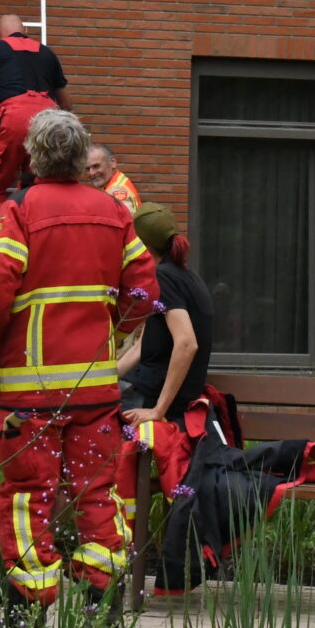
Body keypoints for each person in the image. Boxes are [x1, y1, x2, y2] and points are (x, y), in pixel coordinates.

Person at [0, 108, 158, 628]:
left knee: (28, 498)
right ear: (81, 158)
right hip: (95, 388)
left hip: (27, 391)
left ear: (34, 156)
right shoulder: (113, 212)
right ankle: (101, 620)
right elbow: (143, 291)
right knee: (98, 495)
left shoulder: (20, 211)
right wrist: (111, 334)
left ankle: (25, 627)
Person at [114, 202, 212, 535]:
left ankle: (114, 536)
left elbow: (187, 343)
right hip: (147, 389)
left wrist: (157, 410)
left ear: (140, 245)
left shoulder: (163, 278)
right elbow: (146, 346)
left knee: (87, 437)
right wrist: (103, 377)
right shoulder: (184, 275)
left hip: (156, 401)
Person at [0, 15, 70, 247]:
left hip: (15, 115)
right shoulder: (47, 53)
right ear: (25, 29)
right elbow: (67, 103)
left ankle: (1, 238)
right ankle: (37, 234)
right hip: (49, 118)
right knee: (36, 183)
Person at [84, 144, 142, 213]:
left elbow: (124, 221)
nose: (91, 173)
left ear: (112, 163)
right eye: (87, 169)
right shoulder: (115, 180)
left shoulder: (117, 191)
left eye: (96, 166)